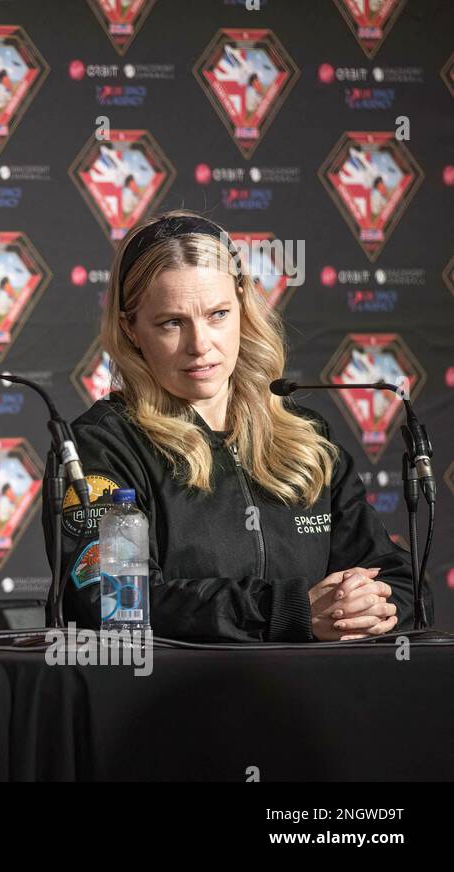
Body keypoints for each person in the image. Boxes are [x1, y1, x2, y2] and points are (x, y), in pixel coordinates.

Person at [46, 210, 427, 642]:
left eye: (218, 314)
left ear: (243, 308)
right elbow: (118, 603)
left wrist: (370, 607)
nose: (200, 344)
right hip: (167, 702)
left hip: (315, 700)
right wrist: (289, 612)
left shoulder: (306, 438)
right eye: (172, 322)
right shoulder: (100, 446)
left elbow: (400, 579)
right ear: (129, 329)